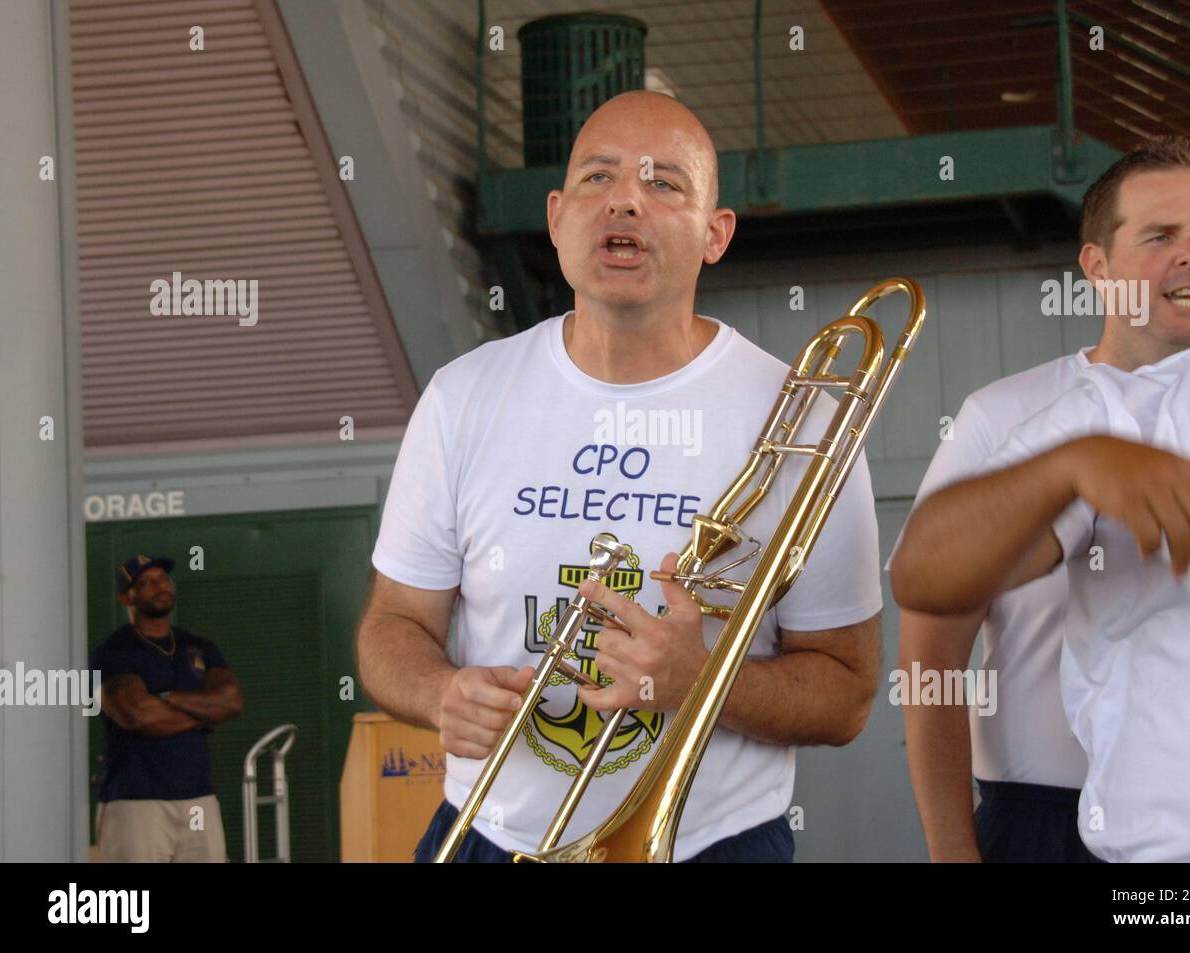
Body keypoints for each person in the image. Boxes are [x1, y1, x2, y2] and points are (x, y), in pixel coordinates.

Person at [357, 90, 884, 863]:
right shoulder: (461, 397)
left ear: (716, 234)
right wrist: (438, 692)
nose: (626, 201)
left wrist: (700, 680)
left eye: (663, 183)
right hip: (490, 837)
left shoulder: (804, 417)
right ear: (557, 215)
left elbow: (847, 692)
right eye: (598, 178)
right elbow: (391, 626)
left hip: (708, 845)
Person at [891, 91, 1190, 861]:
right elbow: (927, 622)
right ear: (1097, 266)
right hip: (1067, 821)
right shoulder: (1068, 416)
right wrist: (952, 849)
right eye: (1160, 235)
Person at [93, 554, 243, 862]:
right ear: (127, 597)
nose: (159, 587)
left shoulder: (198, 646)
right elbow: (138, 715)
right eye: (145, 583)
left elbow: (231, 701)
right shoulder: (113, 651)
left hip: (198, 798)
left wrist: (166, 698)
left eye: (163, 579)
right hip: (136, 801)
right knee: (135, 907)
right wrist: (203, 715)